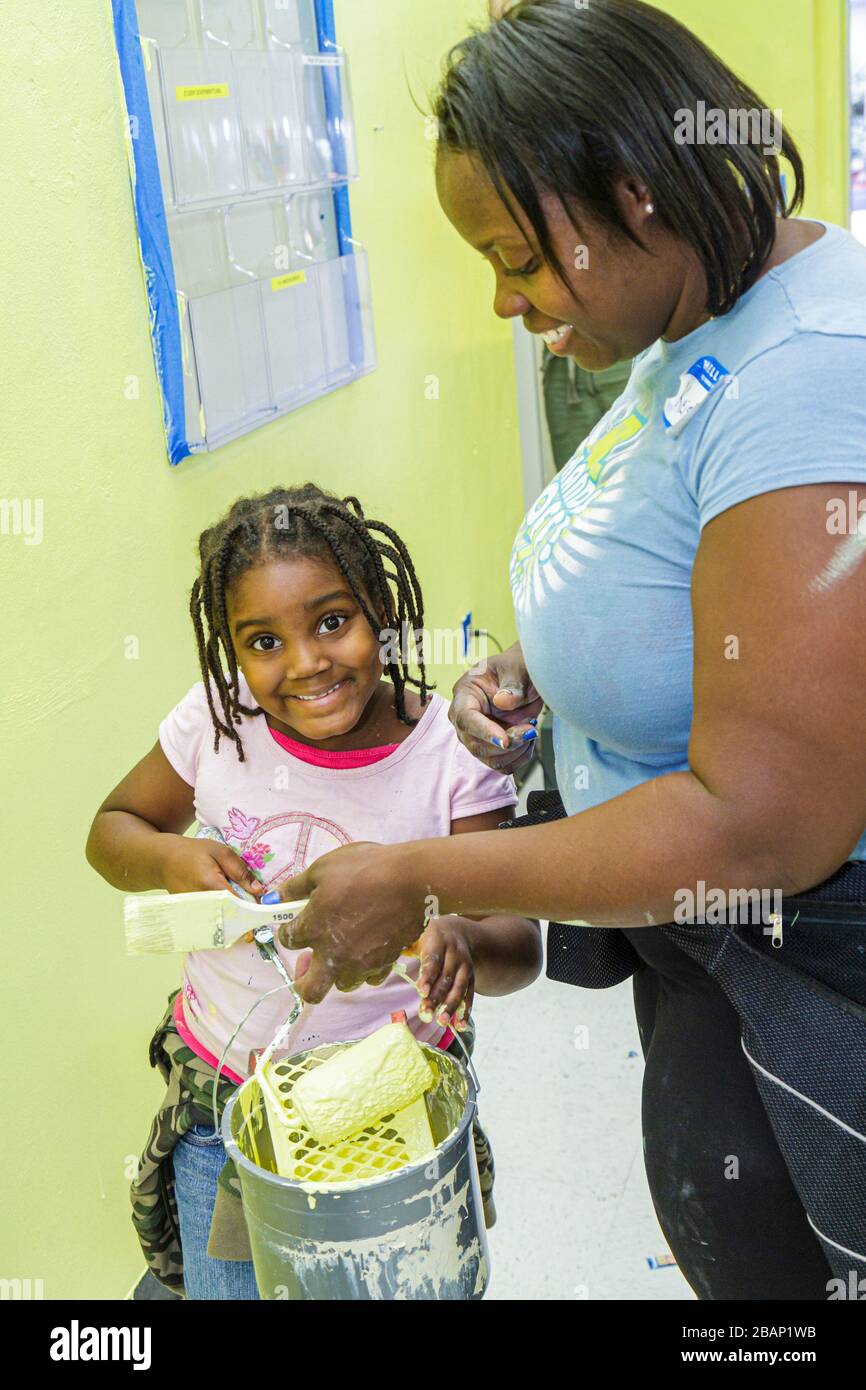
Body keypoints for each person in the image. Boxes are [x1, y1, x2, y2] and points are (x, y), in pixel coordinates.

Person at [268, 1, 866, 1300]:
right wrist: (550, 670)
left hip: (801, 990)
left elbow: (762, 828)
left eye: (514, 256)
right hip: (694, 974)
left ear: (635, 199)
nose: (499, 297)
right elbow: (681, 570)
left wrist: (421, 871)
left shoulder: (812, 375)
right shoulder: (696, 320)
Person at [85, 483, 541, 1298]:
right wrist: (166, 860)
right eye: (263, 641)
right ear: (230, 649)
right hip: (226, 1104)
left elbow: (519, 947)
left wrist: (463, 941)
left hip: (394, 1104)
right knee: (234, 1285)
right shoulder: (216, 724)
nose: (305, 664)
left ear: (385, 612)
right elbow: (112, 829)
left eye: (333, 621)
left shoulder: (451, 758)